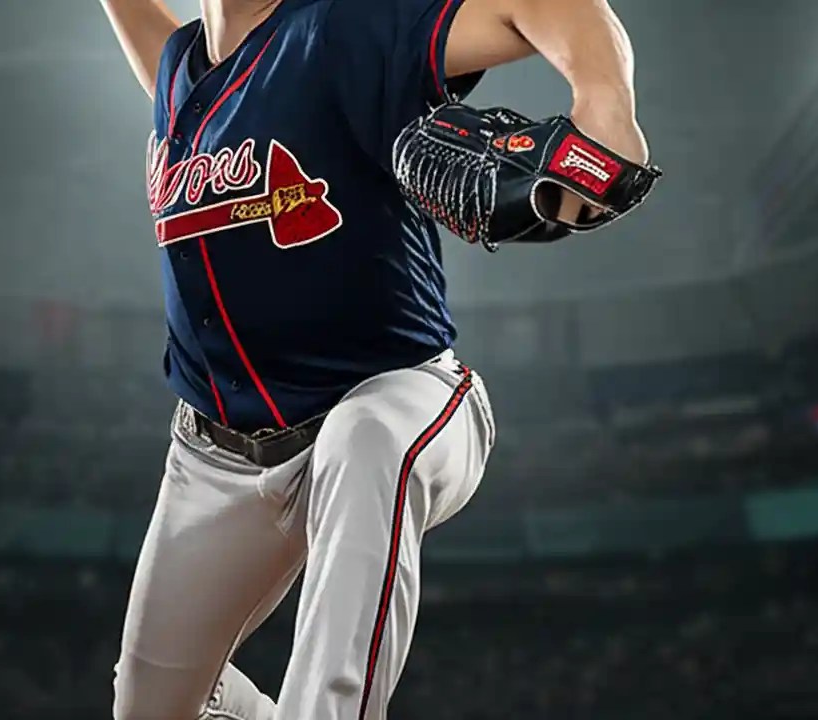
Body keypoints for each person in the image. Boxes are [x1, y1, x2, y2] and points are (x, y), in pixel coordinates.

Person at [98, 0, 651, 717]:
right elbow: (162, 44)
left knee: (365, 439)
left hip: (398, 399)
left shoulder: (343, 25)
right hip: (218, 456)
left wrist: (606, 103)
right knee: (150, 708)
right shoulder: (181, 70)